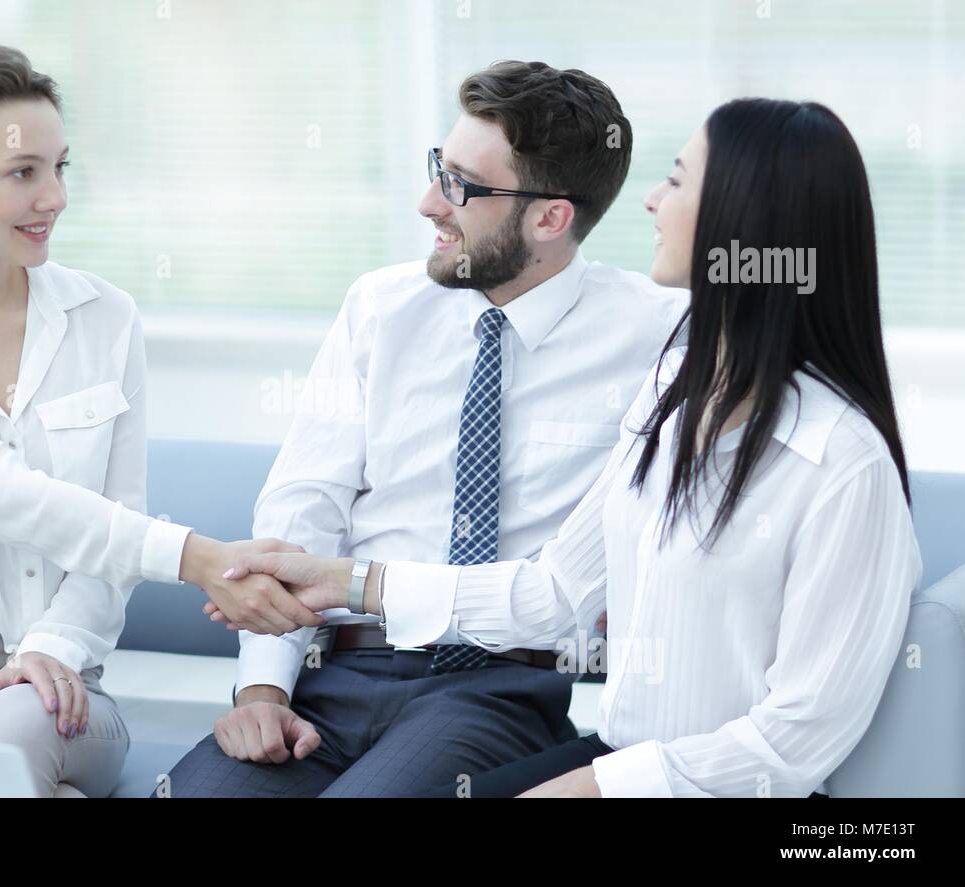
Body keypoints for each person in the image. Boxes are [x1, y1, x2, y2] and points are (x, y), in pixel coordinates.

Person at [222, 97, 922, 798]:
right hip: (617, 758)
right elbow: (552, 589)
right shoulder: (673, 399)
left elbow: (798, 736)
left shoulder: (843, 463)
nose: (650, 200)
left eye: (676, 181)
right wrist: (348, 582)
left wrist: (593, 786)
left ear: (745, 220)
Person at [162, 61, 688, 797]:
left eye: (463, 187)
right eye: (439, 168)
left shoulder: (660, 338)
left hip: (498, 687)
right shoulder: (381, 306)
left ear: (549, 218)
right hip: (336, 672)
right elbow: (304, 506)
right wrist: (264, 691)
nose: (428, 203)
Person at [0, 44, 315, 799]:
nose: (55, 198)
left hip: (62, 676)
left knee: (7, 740)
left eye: (60, 167)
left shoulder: (105, 320)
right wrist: (199, 557)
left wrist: (50, 647)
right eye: (22, 173)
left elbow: (111, 529)